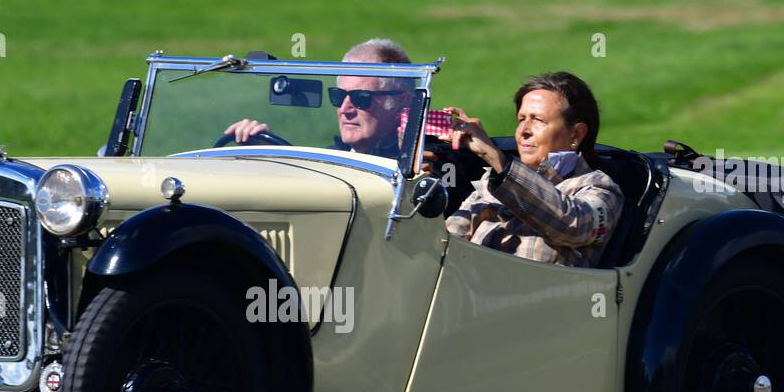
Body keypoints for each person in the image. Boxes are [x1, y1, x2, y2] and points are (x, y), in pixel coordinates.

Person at [441, 72, 623, 268]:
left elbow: (572, 225)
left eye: (538, 120)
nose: (523, 131)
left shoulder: (600, 188)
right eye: (521, 119)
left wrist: (497, 160)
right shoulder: (491, 179)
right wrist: (416, 181)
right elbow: (444, 245)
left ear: (576, 134)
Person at [222, 38, 413, 158]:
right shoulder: (328, 160)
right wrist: (265, 157)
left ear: (400, 104)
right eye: (338, 96)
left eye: (361, 98)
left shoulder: (422, 166)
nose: (344, 109)